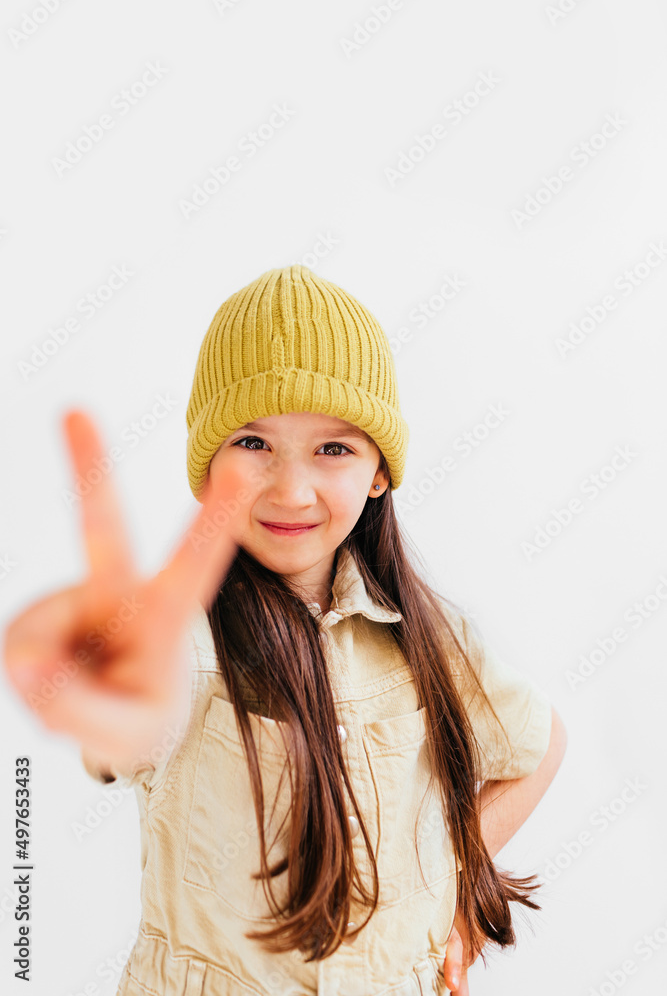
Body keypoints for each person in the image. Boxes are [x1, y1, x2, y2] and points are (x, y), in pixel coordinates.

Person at [4, 264, 567, 996]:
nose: (290, 489)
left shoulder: (429, 636)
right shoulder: (188, 640)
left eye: (332, 449)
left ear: (376, 474)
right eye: (252, 444)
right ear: (207, 467)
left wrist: (451, 899)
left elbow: (538, 743)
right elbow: (128, 725)